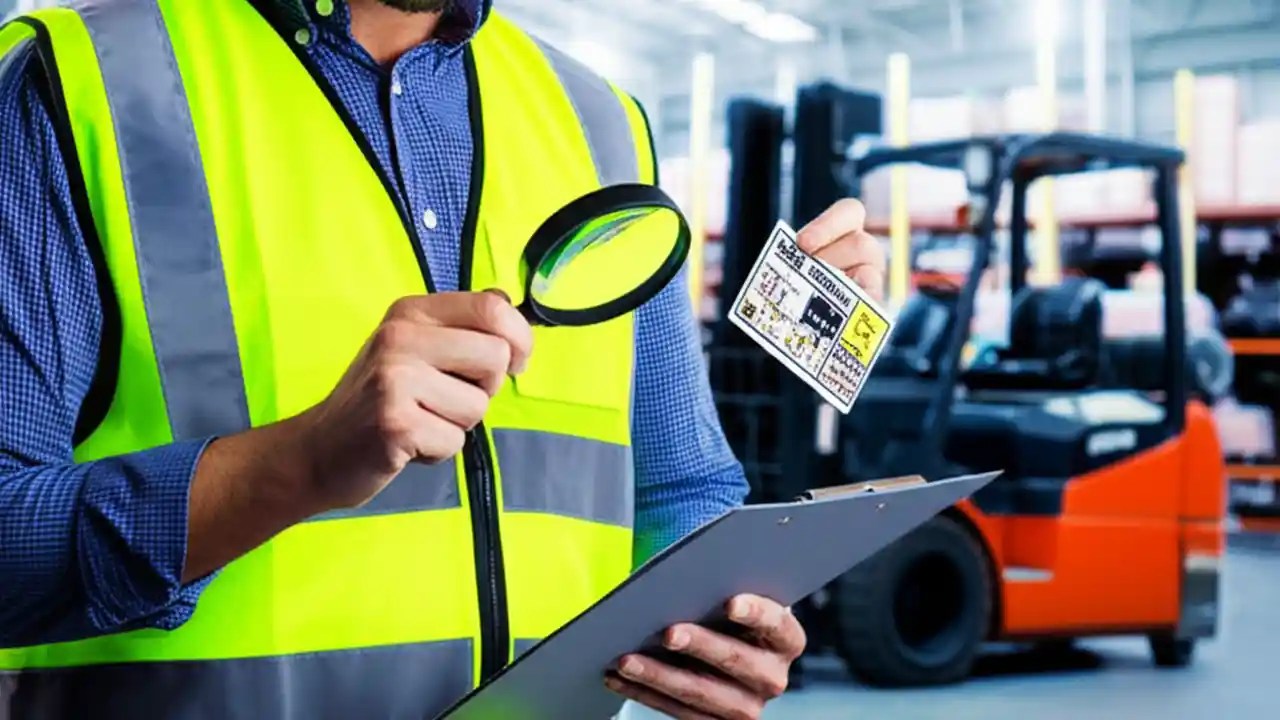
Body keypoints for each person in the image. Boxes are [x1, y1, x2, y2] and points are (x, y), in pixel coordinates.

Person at [0, 1, 885, 718]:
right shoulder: (80, 87)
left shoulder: (601, 125)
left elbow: (679, 491)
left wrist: (723, 630)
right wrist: (299, 464)